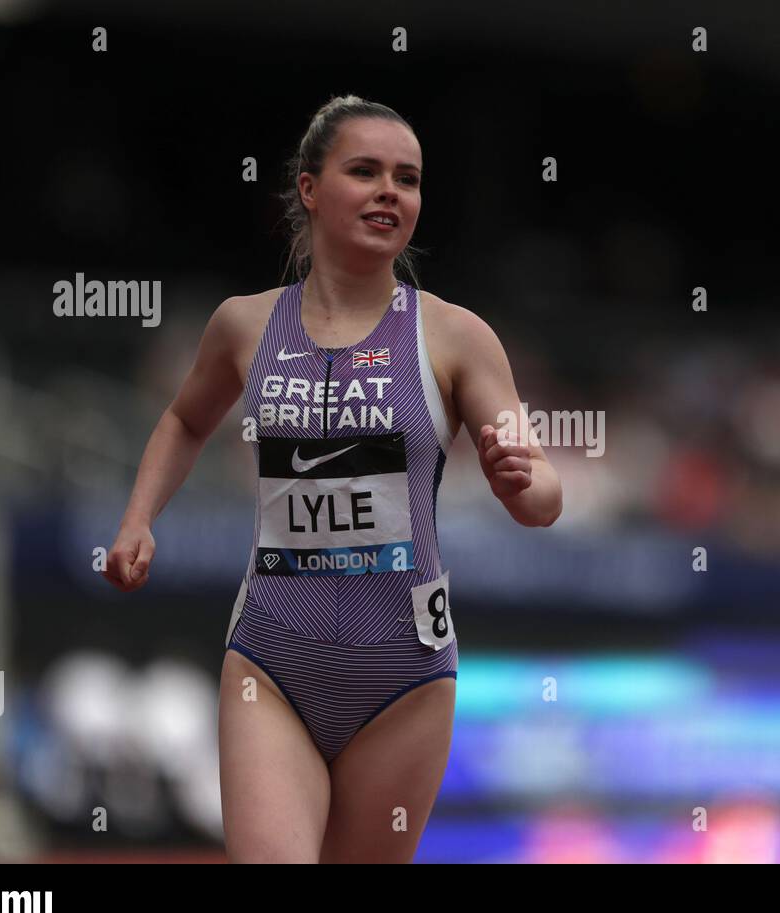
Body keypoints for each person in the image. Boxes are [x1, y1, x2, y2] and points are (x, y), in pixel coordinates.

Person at [102, 94, 562, 862]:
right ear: (309, 190)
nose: (391, 191)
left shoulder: (455, 336)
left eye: (407, 178)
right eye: (365, 171)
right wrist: (138, 518)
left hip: (404, 676)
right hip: (271, 663)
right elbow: (185, 420)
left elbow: (544, 493)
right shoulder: (244, 326)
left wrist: (523, 482)